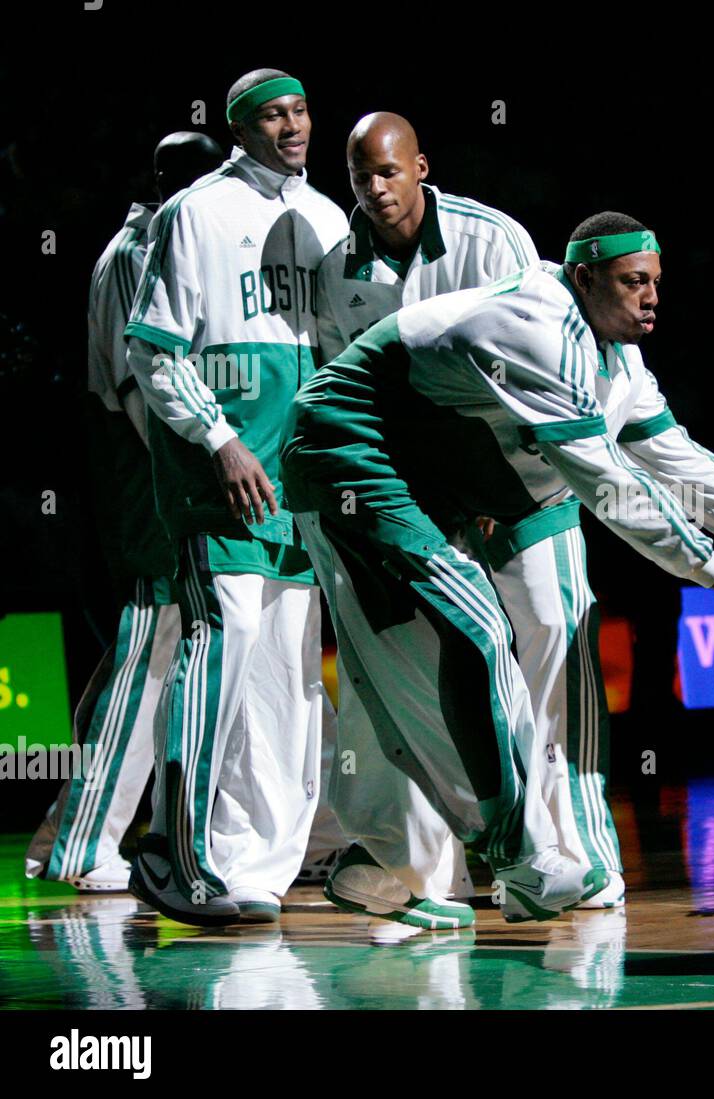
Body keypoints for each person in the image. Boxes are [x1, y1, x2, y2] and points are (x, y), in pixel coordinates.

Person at [281, 212, 714, 935]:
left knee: (432, 664)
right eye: (634, 282)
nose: (652, 297)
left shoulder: (619, 361)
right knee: (474, 632)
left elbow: (683, 463)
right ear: (583, 277)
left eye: (657, 283)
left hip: (433, 480)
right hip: (345, 449)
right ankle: (521, 856)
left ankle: (383, 867)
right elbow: (611, 489)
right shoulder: (538, 330)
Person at [122, 69, 347, 926]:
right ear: (238, 128)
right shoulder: (196, 214)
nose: (291, 126)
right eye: (272, 116)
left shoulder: (328, 218)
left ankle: (256, 862)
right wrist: (220, 441)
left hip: (301, 483)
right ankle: (173, 854)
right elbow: (156, 351)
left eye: (300, 110)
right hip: (223, 477)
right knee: (225, 645)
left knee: (289, 676)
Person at [304, 111, 537, 905]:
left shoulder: (492, 241)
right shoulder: (339, 270)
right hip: (390, 494)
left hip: (499, 484)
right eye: (360, 177)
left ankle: (534, 847)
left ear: (421, 168)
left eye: (388, 173)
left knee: (506, 656)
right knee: (394, 669)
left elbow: (528, 371)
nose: (374, 190)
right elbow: (344, 393)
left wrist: (493, 495)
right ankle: (403, 861)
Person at [25, 133, 224, 892]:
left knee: (189, 648)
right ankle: (82, 841)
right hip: (151, 474)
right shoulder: (138, 253)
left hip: (178, 472)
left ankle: (63, 830)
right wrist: (212, 458)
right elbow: (141, 389)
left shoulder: (173, 243)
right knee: (153, 644)